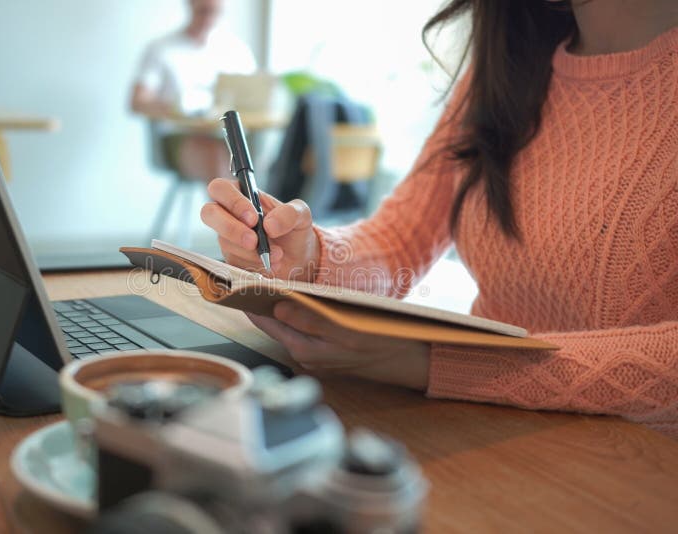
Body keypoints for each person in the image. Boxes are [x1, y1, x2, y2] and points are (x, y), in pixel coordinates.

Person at [200, 0, 678, 438]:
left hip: (632, 467)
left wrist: (442, 364)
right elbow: (400, 237)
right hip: (479, 431)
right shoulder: (506, 68)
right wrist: (310, 254)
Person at [130, 0, 256, 179]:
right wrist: (176, 109)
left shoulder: (237, 51)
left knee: (244, 154)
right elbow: (138, 101)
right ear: (190, 4)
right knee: (216, 156)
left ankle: (248, 204)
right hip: (181, 136)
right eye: (204, 11)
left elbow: (255, 97)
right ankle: (234, 205)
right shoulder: (161, 49)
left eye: (215, 11)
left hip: (227, 136)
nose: (209, 18)